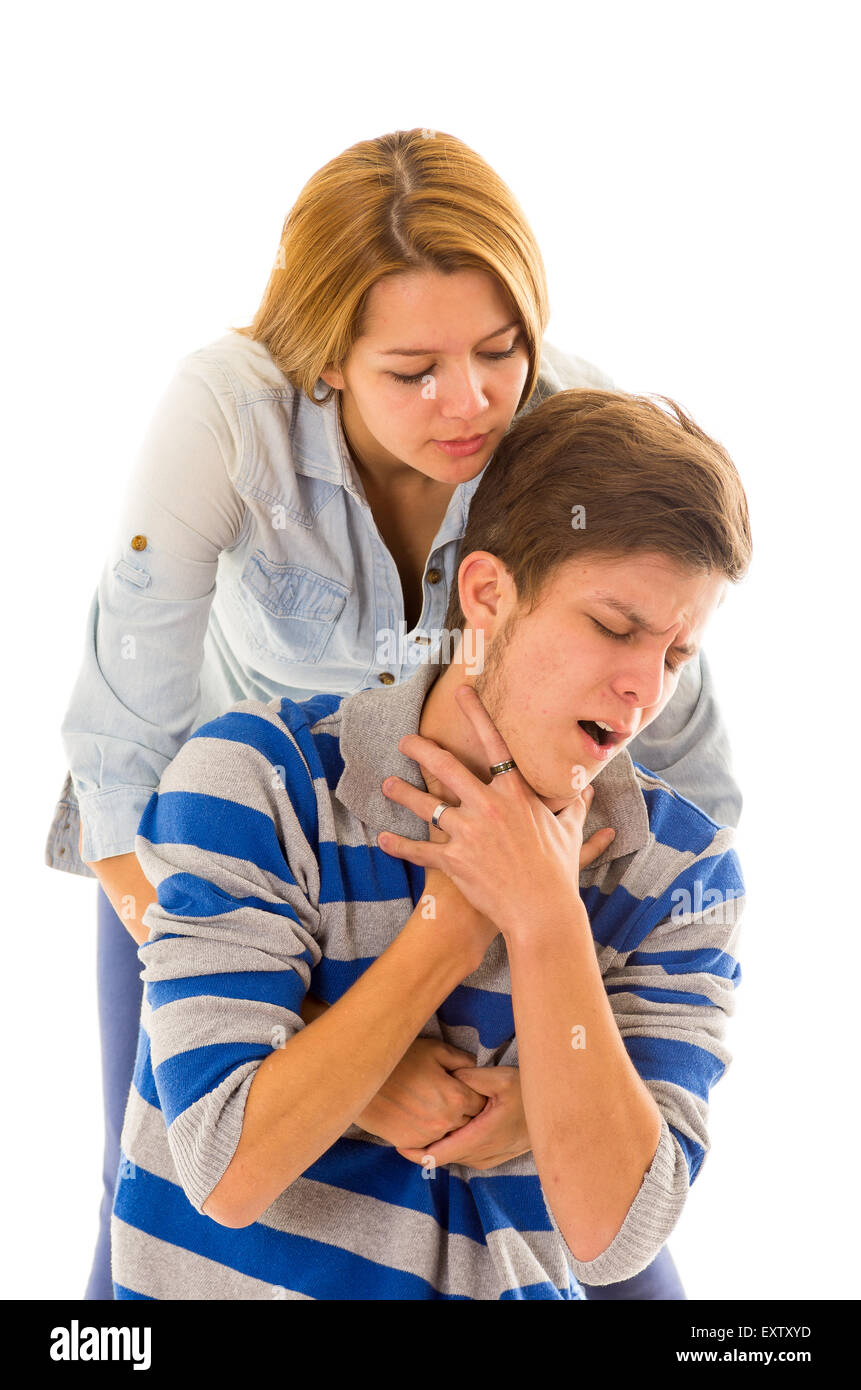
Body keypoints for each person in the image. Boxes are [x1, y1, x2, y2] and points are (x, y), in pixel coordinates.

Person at [46, 128, 740, 1301]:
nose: (470, 402)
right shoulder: (229, 416)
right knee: (152, 1205)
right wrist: (342, 1047)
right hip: (231, 850)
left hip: (511, 842)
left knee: (623, 1261)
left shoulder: (568, 429)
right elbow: (121, 756)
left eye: (499, 349)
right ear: (325, 359)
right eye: (413, 369)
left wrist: (566, 1005)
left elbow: (680, 780)